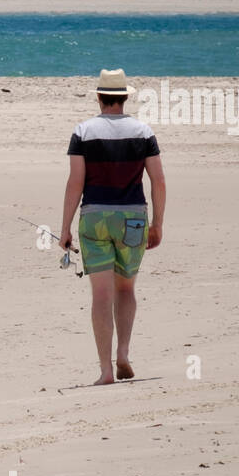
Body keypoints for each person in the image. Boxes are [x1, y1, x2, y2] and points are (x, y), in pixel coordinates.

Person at [58, 69, 166, 385]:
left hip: (94, 218)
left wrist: (64, 228)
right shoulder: (143, 131)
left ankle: (106, 370)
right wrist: (157, 223)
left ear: (99, 96)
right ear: (125, 97)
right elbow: (158, 180)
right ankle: (124, 353)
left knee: (101, 294)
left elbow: (75, 182)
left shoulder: (83, 131)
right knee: (126, 288)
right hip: (133, 218)